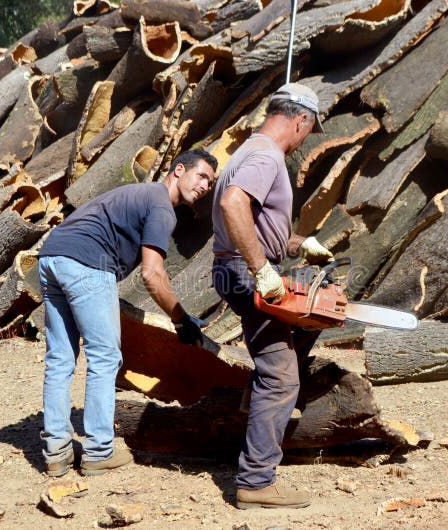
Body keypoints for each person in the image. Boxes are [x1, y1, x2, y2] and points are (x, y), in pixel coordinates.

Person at [38, 149, 218, 477]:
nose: (205, 185)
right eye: (201, 175)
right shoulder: (162, 205)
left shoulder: (142, 194)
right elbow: (152, 273)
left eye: (211, 182)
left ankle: (56, 452)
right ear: (179, 170)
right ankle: (97, 452)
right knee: (105, 358)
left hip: (52, 256)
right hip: (87, 262)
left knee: (61, 360)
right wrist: (181, 319)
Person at [211, 83, 334, 509]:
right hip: (244, 272)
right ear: (301, 120)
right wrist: (262, 269)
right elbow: (233, 205)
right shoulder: (266, 156)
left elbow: (259, 222)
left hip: (238, 268)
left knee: (312, 318)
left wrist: (300, 244)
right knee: (281, 375)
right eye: (308, 131)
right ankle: (256, 482)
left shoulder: (250, 150)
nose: (304, 140)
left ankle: (253, 397)